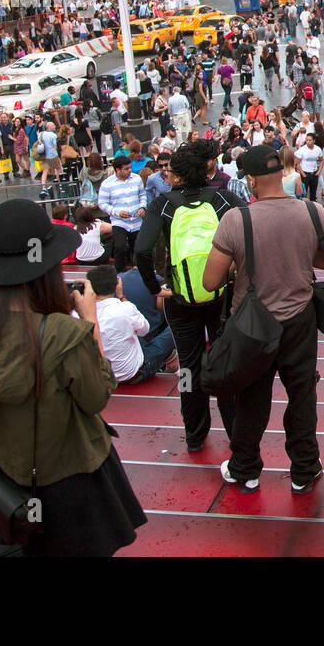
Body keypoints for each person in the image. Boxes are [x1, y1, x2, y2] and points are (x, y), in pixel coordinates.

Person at [0, 199, 146, 554]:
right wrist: (89, 323)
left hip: (11, 479)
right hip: (73, 481)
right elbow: (96, 397)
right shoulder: (62, 333)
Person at [202, 145, 324, 494]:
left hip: (253, 325)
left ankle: (245, 467)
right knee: (302, 393)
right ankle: (304, 468)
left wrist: (239, 263)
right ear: (283, 171)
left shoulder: (236, 220)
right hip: (300, 319)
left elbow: (209, 282)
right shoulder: (313, 212)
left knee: (252, 398)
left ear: (250, 180)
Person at [135, 139, 246, 451]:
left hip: (181, 298)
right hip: (222, 295)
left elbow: (141, 250)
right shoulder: (224, 199)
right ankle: (236, 433)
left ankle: (195, 435)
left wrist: (156, 288)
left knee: (188, 365)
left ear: (176, 176)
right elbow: (251, 233)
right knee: (225, 362)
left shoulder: (163, 204)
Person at [86, 264, 177, 385]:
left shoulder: (79, 313)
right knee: (174, 328)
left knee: (130, 330)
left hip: (98, 374)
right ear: (117, 285)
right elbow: (145, 330)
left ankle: (161, 366)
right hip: (131, 374)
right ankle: (161, 365)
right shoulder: (125, 308)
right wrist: (122, 297)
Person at [96, 155, 146, 273]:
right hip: (119, 221)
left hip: (136, 219)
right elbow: (102, 203)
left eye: (130, 168)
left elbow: (142, 195)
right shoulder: (107, 184)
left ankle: (139, 271)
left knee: (138, 247)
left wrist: (143, 207)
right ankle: (120, 273)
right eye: (126, 169)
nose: (130, 171)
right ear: (118, 170)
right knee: (120, 246)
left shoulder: (136, 178)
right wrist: (116, 212)